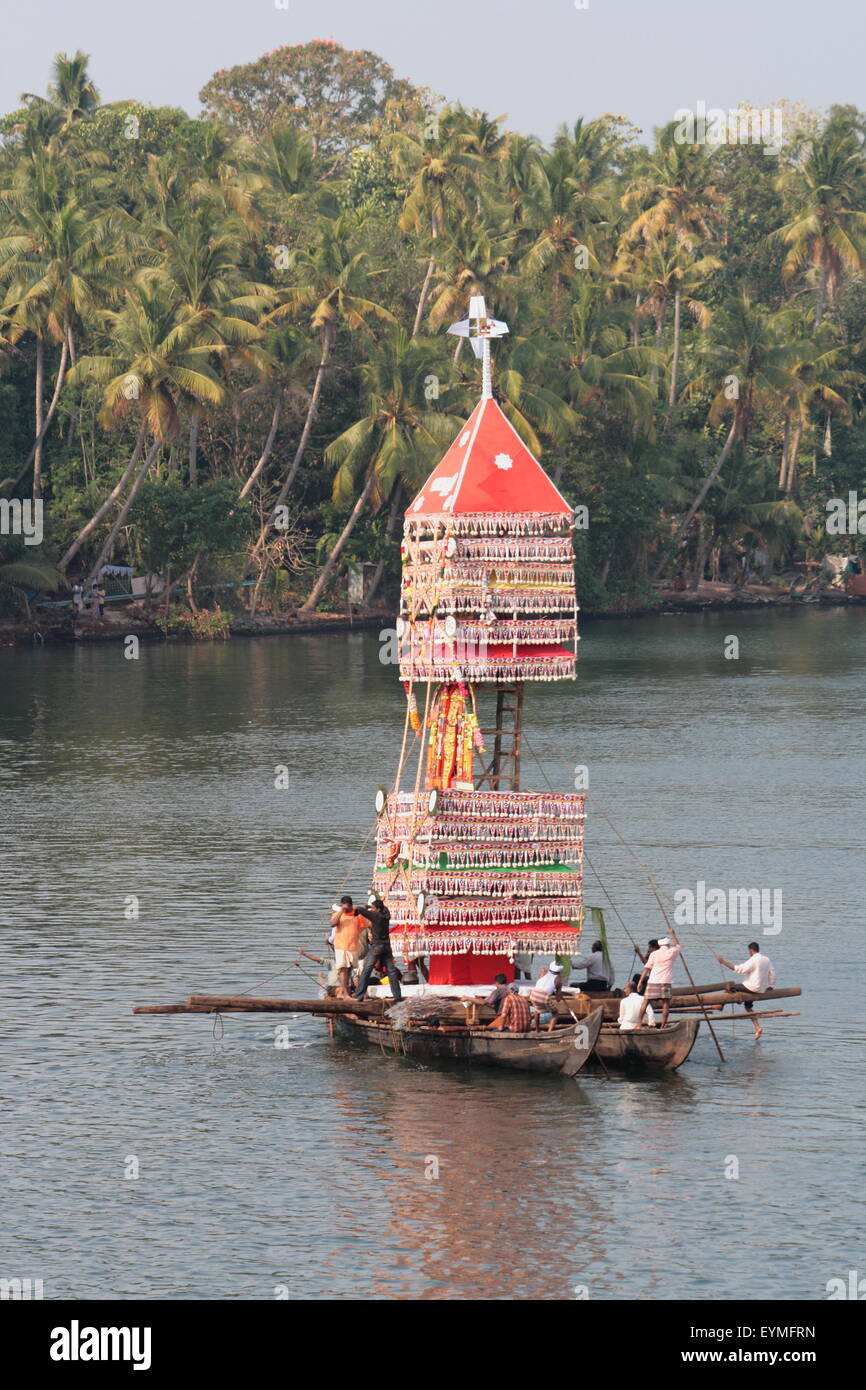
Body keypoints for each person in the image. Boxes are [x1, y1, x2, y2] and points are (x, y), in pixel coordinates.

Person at [716, 942, 777, 1039]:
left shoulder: (754, 959)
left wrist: (723, 962)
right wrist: (770, 986)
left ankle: (720, 1005)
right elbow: (772, 974)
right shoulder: (767, 959)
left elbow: (740, 969)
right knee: (748, 1007)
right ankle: (757, 1027)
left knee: (729, 987)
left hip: (751, 988)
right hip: (760, 989)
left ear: (751, 950)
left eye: (749, 951)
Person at [353, 895, 402, 1002]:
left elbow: (360, 910)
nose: (373, 910)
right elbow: (385, 909)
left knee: (366, 970)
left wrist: (366, 908)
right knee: (392, 971)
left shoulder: (376, 916)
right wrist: (371, 907)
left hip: (377, 947)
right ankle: (398, 997)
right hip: (387, 947)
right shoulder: (386, 915)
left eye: (374, 908)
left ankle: (359, 995)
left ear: (378, 909)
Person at [637, 930, 682, 1028]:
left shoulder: (654, 954)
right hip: (665, 981)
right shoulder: (672, 951)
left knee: (645, 1002)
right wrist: (673, 933)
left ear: (659, 945)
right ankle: (662, 1026)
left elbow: (647, 968)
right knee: (665, 1005)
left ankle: (638, 1024)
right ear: (668, 944)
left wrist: (640, 981)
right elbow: (678, 945)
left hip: (653, 981)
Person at [330, 895, 363, 995]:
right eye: (344, 906)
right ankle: (345, 994)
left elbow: (367, 924)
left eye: (348, 906)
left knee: (349, 969)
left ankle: (347, 991)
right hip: (341, 946)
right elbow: (332, 924)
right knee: (343, 969)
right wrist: (341, 911)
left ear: (351, 906)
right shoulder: (338, 915)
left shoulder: (356, 914)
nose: (346, 908)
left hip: (353, 946)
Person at [529, 961, 563, 1031]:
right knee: (555, 1013)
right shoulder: (558, 979)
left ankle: (537, 1030)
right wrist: (559, 991)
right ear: (559, 972)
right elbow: (558, 999)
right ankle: (549, 1032)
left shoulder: (544, 974)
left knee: (537, 1011)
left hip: (533, 994)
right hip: (543, 996)